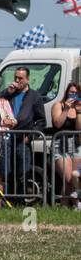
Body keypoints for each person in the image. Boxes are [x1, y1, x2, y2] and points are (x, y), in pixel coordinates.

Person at [0, 67, 46, 191]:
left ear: (27, 80)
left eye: (20, 78)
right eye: (15, 77)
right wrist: (8, 92)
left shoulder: (35, 96)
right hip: (7, 138)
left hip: (23, 140)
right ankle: (7, 200)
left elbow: (41, 121)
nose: (17, 80)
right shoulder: (10, 94)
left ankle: (20, 199)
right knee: (6, 170)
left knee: (22, 170)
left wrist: (29, 137)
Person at [52, 81, 81, 209]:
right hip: (60, 143)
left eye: (76, 93)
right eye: (71, 92)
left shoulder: (79, 107)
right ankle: (72, 205)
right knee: (68, 177)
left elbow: (79, 129)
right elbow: (57, 123)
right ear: (66, 92)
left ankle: (66, 206)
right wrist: (66, 109)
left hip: (75, 144)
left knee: (74, 178)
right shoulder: (58, 105)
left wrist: (79, 112)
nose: (73, 95)